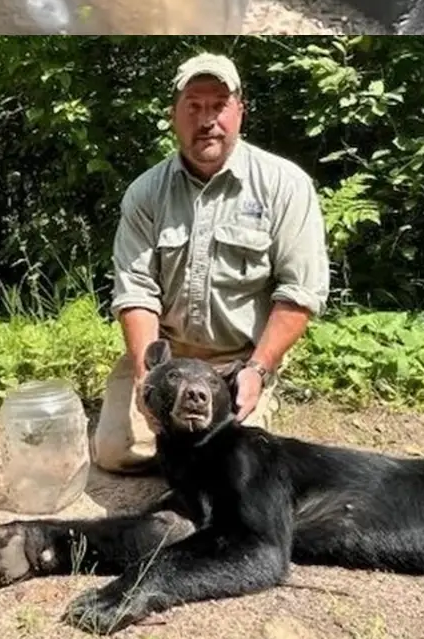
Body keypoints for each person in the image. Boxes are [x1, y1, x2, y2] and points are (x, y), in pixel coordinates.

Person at [93, 50, 330, 473]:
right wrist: (150, 376)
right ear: (173, 115)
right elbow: (136, 293)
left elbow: (299, 293)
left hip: (241, 359)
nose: (208, 120)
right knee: (116, 454)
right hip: (166, 360)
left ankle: (232, 424)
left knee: (235, 464)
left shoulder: (286, 185)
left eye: (219, 106)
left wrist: (258, 368)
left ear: (239, 111)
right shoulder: (146, 193)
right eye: (194, 107)